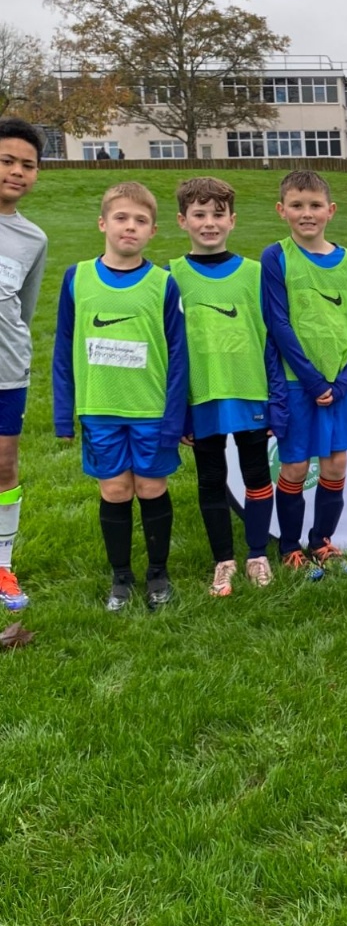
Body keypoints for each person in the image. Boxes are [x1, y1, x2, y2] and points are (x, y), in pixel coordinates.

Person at [52, 182, 188, 611]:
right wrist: (63, 414)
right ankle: (121, 577)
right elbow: (62, 347)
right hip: (100, 408)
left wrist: (177, 417)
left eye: (141, 220)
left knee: (150, 487)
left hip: (151, 409)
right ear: (103, 223)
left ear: (153, 231)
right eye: (121, 218)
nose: (130, 227)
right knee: (114, 490)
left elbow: (180, 356)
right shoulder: (77, 278)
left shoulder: (164, 284)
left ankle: (157, 574)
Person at [172, 177, 287, 597]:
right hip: (202, 397)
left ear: (232, 220)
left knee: (257, 475)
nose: (209, 223)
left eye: (218, 214)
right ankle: (224, 561)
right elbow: (171, 350)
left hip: (250, 391)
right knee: (210, 479)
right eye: (199, 215)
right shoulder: (172, 277)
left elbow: (273, 341)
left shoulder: (255, 274)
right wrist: (179, 409)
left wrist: (276, 399)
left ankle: (257, 553)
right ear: (182, 220)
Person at [261, 170, 347, 577]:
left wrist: (343, 382)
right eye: (297, 205)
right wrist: (312, 380)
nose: (307, 214)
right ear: (282, 210)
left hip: (338, 388)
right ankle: (290, 547)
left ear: (331, 211)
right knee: (295, 468)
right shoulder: (276, 257)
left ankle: (321, 541)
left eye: (315, 205)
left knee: (336, 464)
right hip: (296, 383)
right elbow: (278, 323)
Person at [0, 118, 48, 610]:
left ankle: (3, 567)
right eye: (6, 160)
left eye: (27, 165)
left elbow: (25, 310)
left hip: (6, 371)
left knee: (4, 464)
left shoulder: (33, 238)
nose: (17, 172)